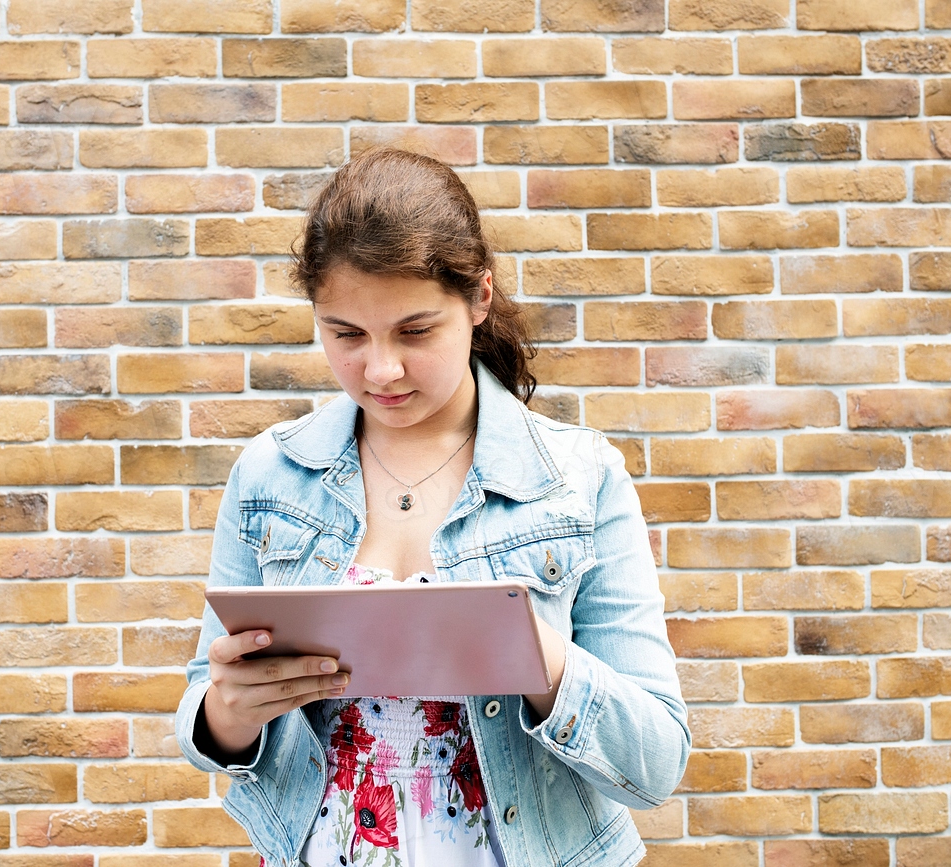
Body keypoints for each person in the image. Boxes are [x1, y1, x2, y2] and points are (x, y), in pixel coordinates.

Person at [175, 148, 690, 867]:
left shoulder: (579, 477)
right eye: (345, 333)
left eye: (415, 331)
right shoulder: (271, 473)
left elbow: (657, 760)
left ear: (478, 298)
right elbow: (205, 711)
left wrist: (535, 653)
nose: (380, 369)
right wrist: (226, 713)